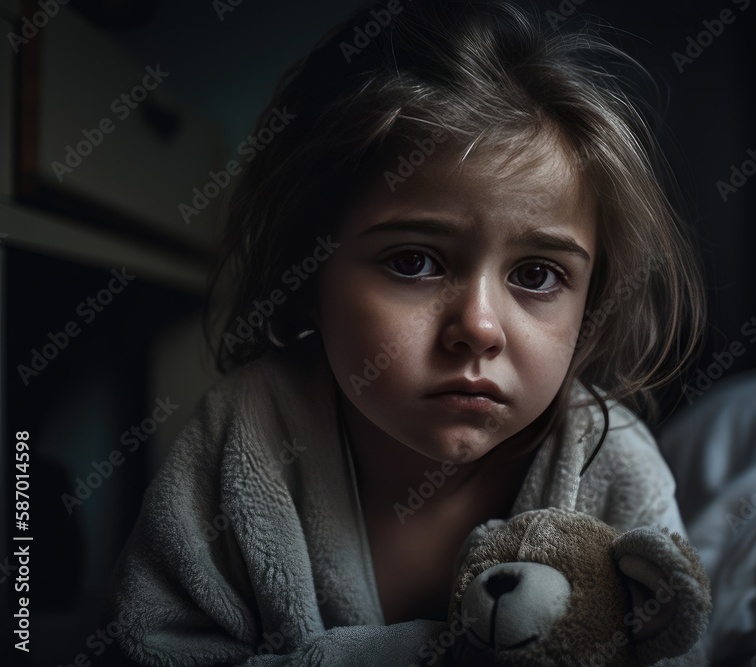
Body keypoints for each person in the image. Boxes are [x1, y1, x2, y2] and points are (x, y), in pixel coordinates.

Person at [104, 0, 705, 664]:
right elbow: (152, 645)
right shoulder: (246, 431)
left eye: (536, 274)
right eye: (414, 261)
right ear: (309, 271)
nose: (477, 326)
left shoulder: (613, 462)